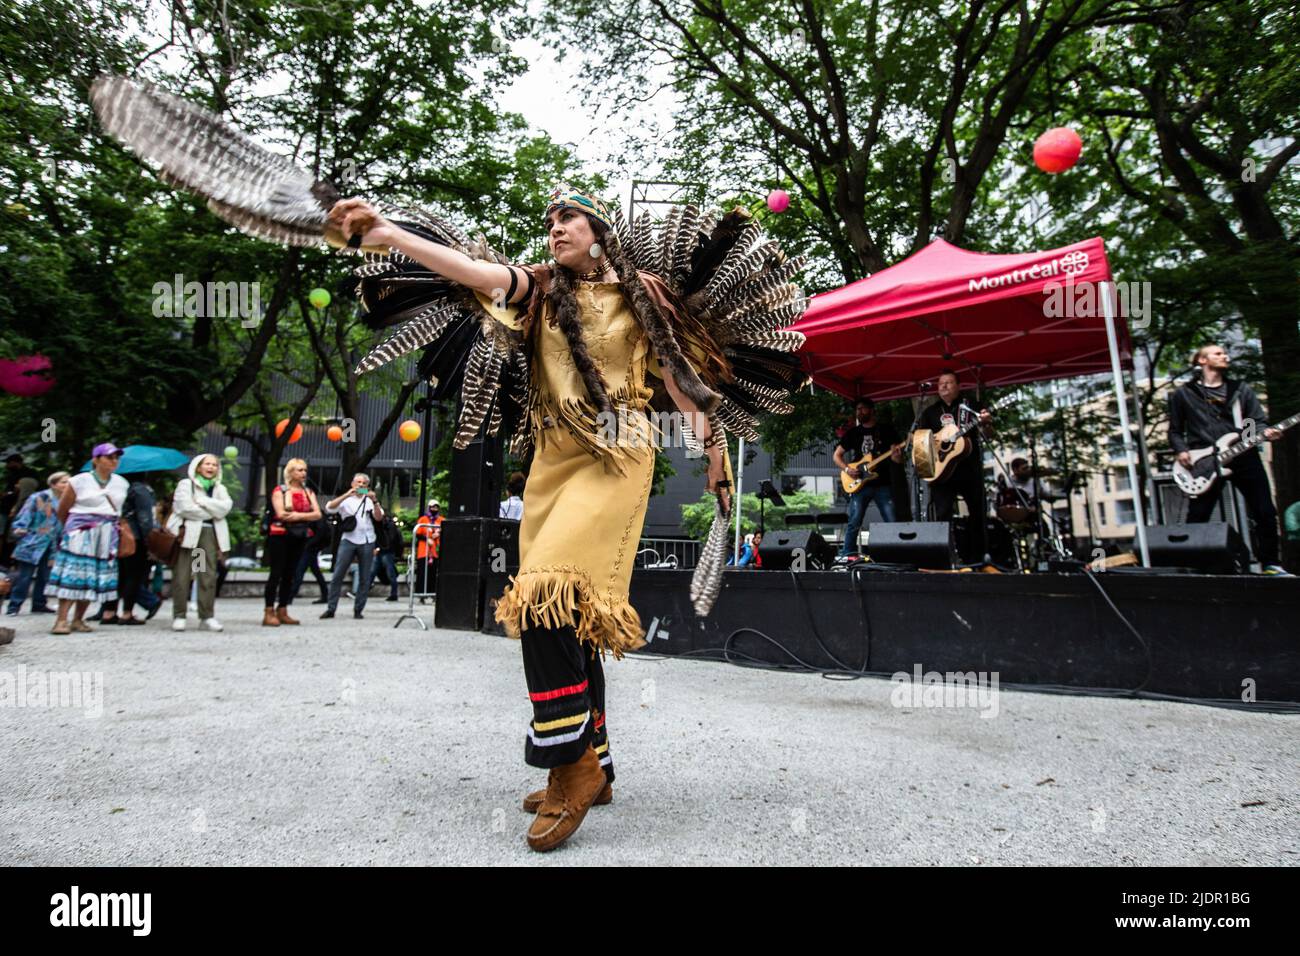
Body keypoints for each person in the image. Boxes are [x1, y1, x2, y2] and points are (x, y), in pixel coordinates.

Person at [328, 186, 735, 852]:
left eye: (567, 217)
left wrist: (714, 456)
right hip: (552, 462)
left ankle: (566, 761)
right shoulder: (540, 290)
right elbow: (478, 274)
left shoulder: (642, 296)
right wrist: (392, 238)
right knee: (567, 613)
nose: (554, 228)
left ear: (600, 230)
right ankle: (596, 764)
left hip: (615, 451)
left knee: (545, 595)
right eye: (547, 220)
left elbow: (682, 381)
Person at [1169, 344, 1288, 575]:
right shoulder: (1184, 393)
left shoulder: (1240, 389)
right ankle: (1195, 566)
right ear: (1202, 360)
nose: (1225, 356)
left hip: (1244, 455)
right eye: (1218, 353)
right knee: (1199, 514)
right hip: (1204, 460)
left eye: (1225, 353)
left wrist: (1263, 433)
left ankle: (1270, 564)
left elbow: (1256, 421)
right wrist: (1181, 450)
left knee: (1264, 510)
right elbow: (1175, 430)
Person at [47, 444, 129, 634]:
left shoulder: (121, 482)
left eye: (116, 457)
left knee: (94, 575)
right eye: (109, 457)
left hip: (107, 530)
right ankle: (61, 620)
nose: (114, 461)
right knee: (74, 573)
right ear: (96, 459)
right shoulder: (79, 480)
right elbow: (63, 509)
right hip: (80, 530)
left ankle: (78, 619)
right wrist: (75, 528)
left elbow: (118, 509)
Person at [919, 370, 993, 563]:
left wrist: (986, 424)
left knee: (977, 513)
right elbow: (921, 440)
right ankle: (944, 558)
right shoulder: (931, 412)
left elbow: (989, 434)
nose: (943, 386)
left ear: (958, 386)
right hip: (942, 473)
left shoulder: (971, 406)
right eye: (941, 383)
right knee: (942, 515)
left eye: (949, 382)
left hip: (969, 470)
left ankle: (979, 559)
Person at [168, 453, 233, 631]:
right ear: (198, 466)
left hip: (207, 537)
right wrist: (213, 510)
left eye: (214, 465)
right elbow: (184, 508)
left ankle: (206, 616)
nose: (211, 467)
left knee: (205, 575)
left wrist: (204, 502)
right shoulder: (186, 484)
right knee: (182, 575)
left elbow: (226, 507)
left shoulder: (219, 488)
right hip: (188, 535)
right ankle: (179, 615)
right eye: (207, 464)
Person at [833, 396, 902, 560]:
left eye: (863, 408)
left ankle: (898, 554)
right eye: (857, 409)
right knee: (854, 521)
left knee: (891, 519)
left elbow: (897, 459)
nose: (859, 412)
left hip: (883, 483)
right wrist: (848, 469)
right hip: (860, 483)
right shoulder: (854, 433)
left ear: (872, 410)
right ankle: (848, 555)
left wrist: (897, 456)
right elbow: (837, 456)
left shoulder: (887, 430)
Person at [263, 458, 321, 627]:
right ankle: (268, 610)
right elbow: (280, 513)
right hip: (279, 535)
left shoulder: (308, 492)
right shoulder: (280, 491)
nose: (303, 473)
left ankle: (283, 608)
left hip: (300, 534)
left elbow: (318, 514)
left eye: (304, 470)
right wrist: (304, 516)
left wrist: (297, 516)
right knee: (276, 573)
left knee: (291, 573)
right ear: (290, 472)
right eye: (299, 470)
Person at [322, 473, 384, 620]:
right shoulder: (346, 500)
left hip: (368, 540)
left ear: (367, 486)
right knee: (338, 574)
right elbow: (329, 508)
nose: (360, 485)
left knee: (365, 577)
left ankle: (358, 609)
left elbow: (379, 517)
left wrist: (375, 500)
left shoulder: (369, 500)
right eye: (358, 482)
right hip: (348, 539)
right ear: (352, 483)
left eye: (364, 483)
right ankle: (331, 608)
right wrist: (346, 495)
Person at [6, 470, 68, 615]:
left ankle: (39, 604)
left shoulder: (67, 499)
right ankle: (14, 606)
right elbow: (25, 515)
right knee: (24, 575)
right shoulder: (38, 497)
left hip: (53, 542)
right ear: (53, 484)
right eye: (63, 482)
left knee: (45, 575)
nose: (67, 485)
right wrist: (20, 529)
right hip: (33, 540)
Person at [103, 471, 158, 625]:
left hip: (115, 533)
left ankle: (109, 612)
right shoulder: (139, 489)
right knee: (133, 576)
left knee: (116, 575)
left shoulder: (116, 487)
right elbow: (145, 517)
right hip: (134, 536)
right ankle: (127, 613)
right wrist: (149, 539)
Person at [368, 510, 403, 602]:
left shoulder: (388, 525)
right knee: (372, 572)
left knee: (389, 573)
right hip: (383, 551)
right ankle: (364, 591)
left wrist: (378, 548)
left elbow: (389, 540)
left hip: (387, 551)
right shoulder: (380, 524)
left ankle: (394, 594)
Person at [412, 500, 442, 601]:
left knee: (434, 573)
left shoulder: (441, 520)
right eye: (432, 507)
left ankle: (433, 593)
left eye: (436, 507)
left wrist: (438, 534)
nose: (434, 509)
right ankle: (421, 594)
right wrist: (427, 539)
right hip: (424, 551)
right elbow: (418, 533)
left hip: (436, 551)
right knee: (422, 573)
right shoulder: (423, 519)